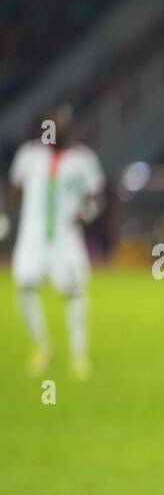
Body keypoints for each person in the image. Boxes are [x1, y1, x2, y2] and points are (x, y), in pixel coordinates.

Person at [4, 104, 104, 380]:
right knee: (24, 289)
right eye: (50, 124)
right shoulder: (29, 156)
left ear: (69, 127)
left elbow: (96, 196)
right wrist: (4, 218)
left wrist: (86, 215)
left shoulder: (83, 159)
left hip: (65, 238)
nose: (53, 129)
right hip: (32, 236)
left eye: (58, 124)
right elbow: (14, 188)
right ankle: (43, 345)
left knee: (74, 292)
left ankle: (78, 354)